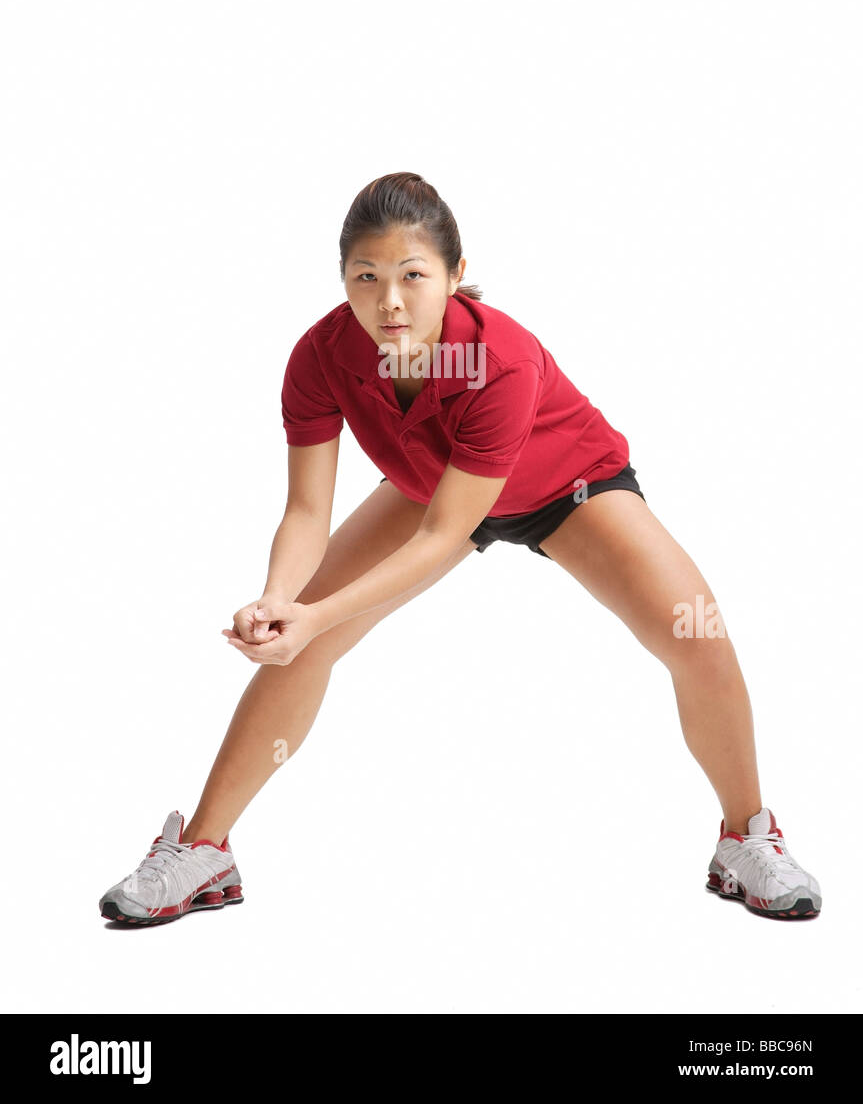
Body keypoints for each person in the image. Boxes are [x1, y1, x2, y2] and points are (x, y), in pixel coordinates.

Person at [99, 172, 821, 926]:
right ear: (341, 277)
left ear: (456, 273)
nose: (389, 302)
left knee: (695, 633)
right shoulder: (321, 355)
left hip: (563, 485)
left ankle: (746, 837)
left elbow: (446, 534)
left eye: (413, 276)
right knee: (303, 637)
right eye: (365, 277)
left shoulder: (496, 359)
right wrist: (283, 601)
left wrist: (313, 614)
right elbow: (307, 509)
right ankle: (203, 849)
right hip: (431, 483)